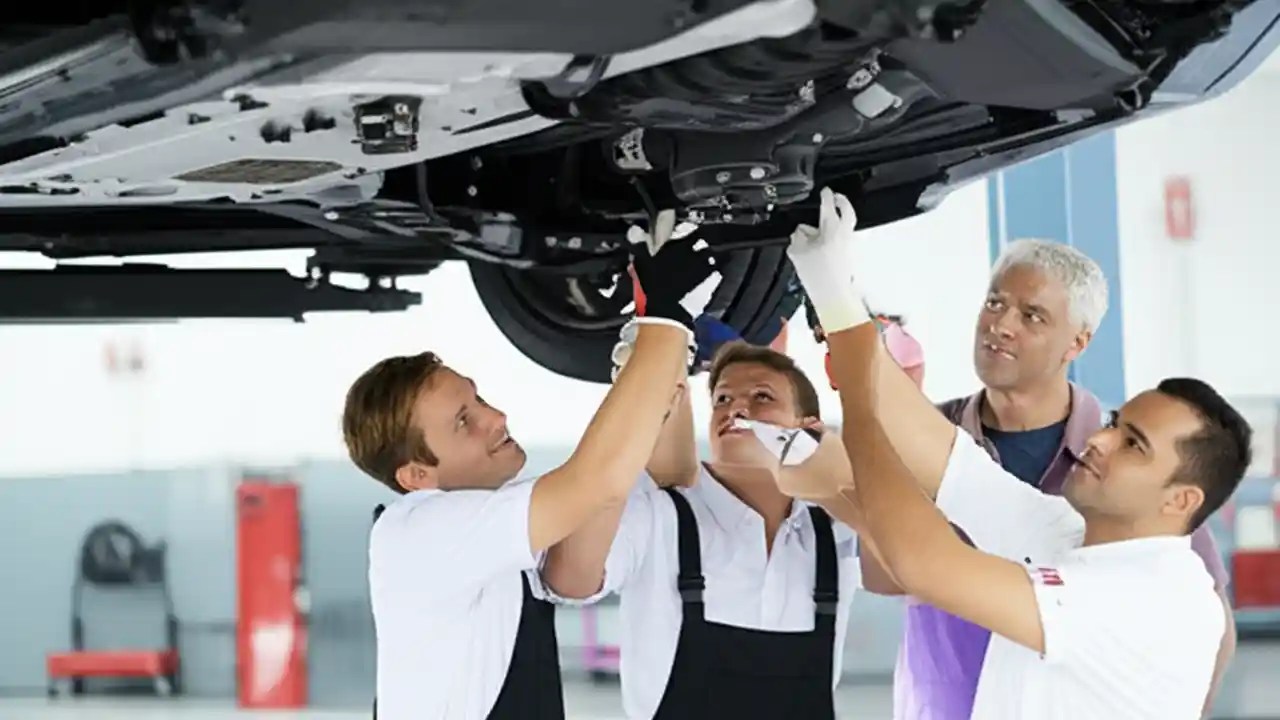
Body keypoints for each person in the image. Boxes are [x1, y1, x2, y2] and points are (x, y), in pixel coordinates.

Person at [780, 187, 1252, 720]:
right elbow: (943, 454)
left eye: (1133, 445)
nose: (1099, 440)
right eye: (1117, 426)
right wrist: (834, 291)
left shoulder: (1150, 599)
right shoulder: (1070, 534)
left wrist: (855, 430)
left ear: (1180, 500)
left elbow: (924, 564)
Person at [341, 210, 716, 720]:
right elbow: (598, 481)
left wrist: (662, 352)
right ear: (416, 477)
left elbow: (601, 539)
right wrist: (663, 321)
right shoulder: (418, 532)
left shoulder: (488, 537)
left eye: (480, 401)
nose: (496, 418)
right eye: (463, 422)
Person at [539, 336, 863, 720]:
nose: (737, 408)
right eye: (722, 400)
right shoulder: (662, 516)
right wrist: (635, 411)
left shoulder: (836, 534)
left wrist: (835, 480)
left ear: (807, 428)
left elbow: (915, 561)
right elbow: (569, 580)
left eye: (762, 397)